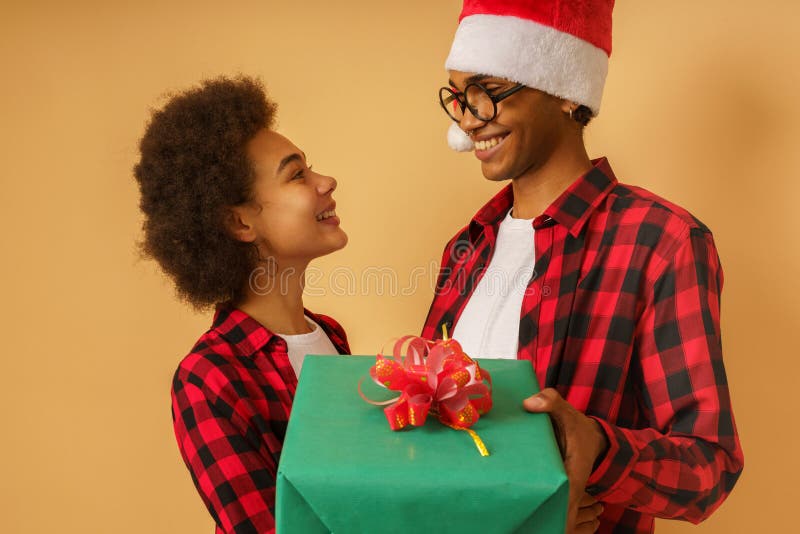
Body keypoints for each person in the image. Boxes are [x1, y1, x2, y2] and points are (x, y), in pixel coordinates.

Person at [421, 2, 744, 533]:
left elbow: (710, 467)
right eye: (458, 95)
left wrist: (598, 449)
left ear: (566, 89)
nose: (467, 118)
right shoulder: (467, 247)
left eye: (488, 89)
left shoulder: (660, 242)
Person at [133, 75, 350, 533]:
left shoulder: (331, 336)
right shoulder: (208, 378)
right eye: (297, 175)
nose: (326, 181)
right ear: (239, 222)